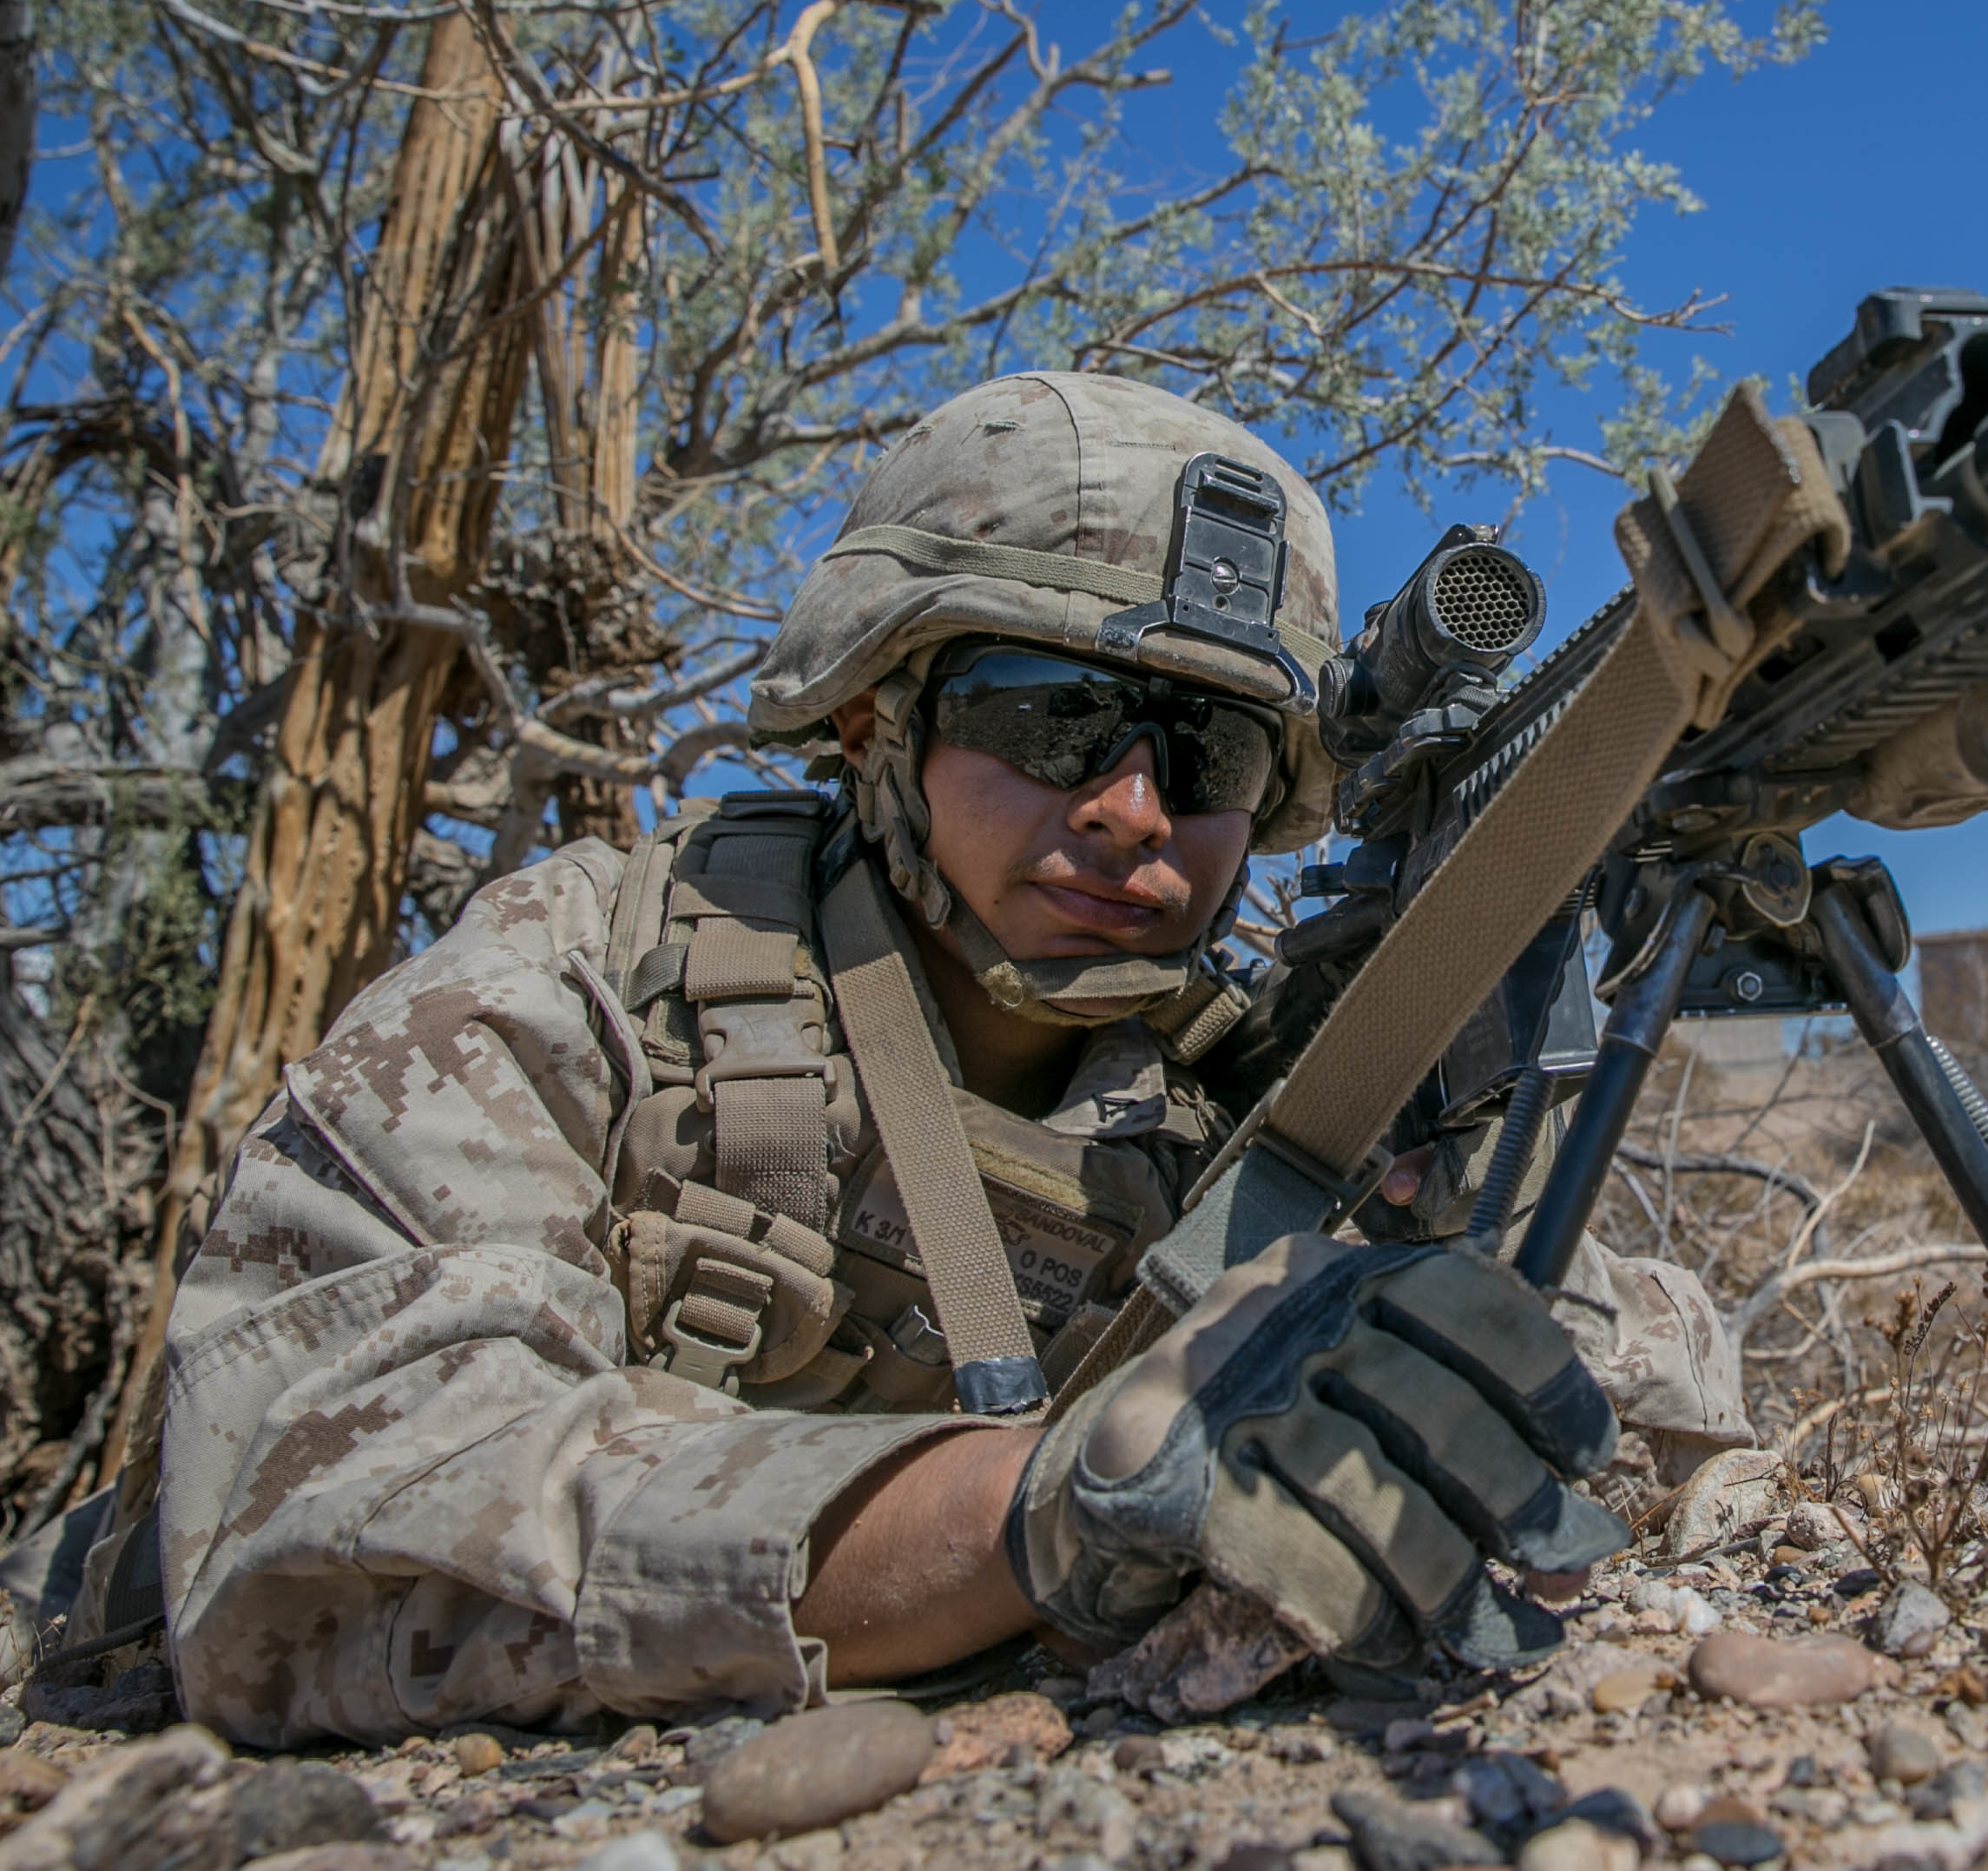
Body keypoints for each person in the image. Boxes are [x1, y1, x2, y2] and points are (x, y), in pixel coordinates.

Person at [139, 372, 1749, 1747]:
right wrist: (1038, 1513)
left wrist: (1451, 1211)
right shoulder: (584, 984)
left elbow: (1657, 1399)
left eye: (1211, 750)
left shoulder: (1257, 1095)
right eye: (1055, 719)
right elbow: (302, 1540)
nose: (1129, 809)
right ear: (872, 722)